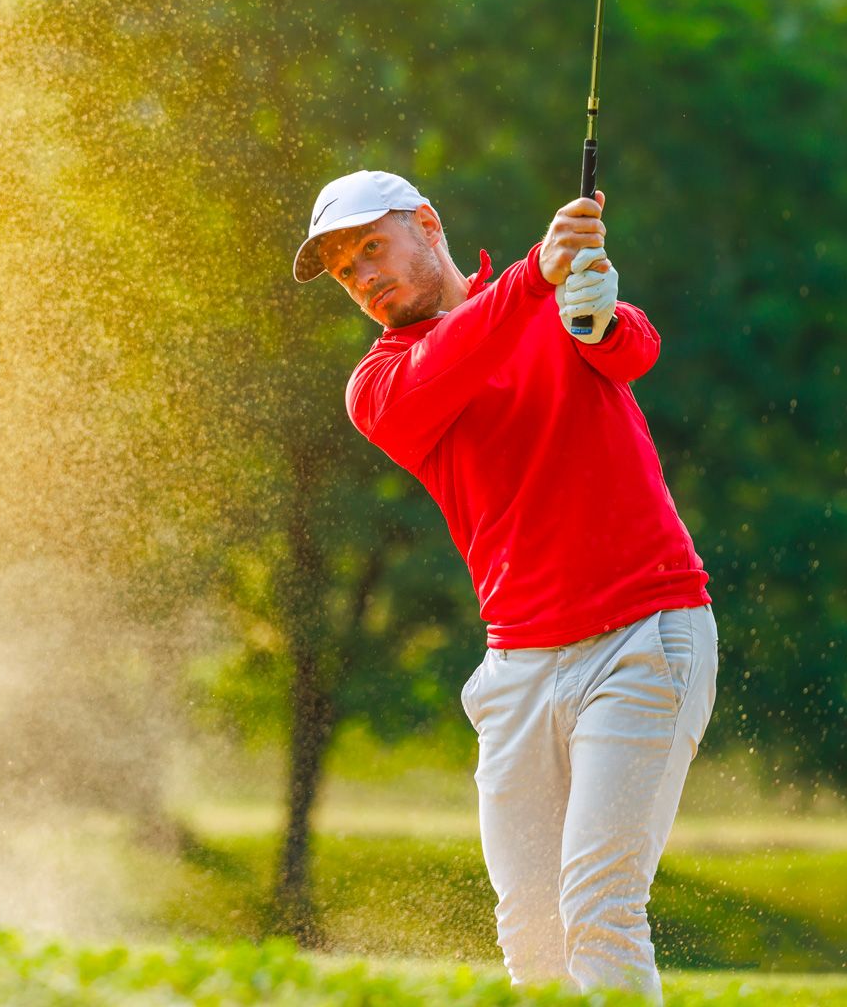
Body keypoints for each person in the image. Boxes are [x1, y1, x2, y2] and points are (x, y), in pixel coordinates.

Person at [292, 169, 719, 1002]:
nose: (365, 278)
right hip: (519, 665)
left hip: (643, 634)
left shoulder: (541, 308)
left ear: (428, 224)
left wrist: (591, 308)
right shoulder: (378, 387)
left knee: (598, 909)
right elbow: (450, 365)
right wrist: (537, 277)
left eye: (373, 248)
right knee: (531, 929)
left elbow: (633, 348)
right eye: (347, 272)